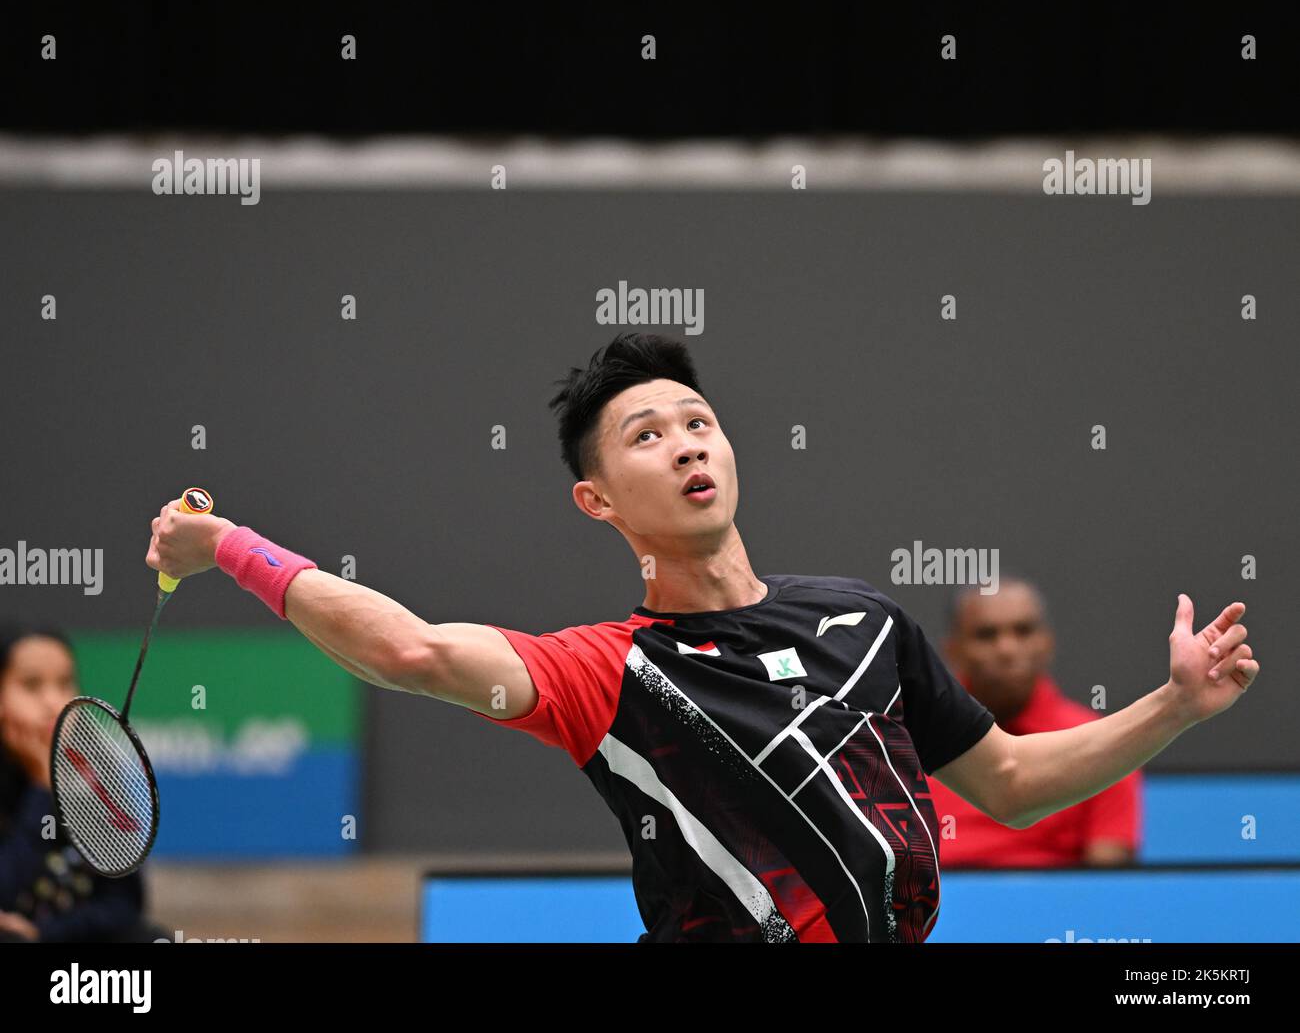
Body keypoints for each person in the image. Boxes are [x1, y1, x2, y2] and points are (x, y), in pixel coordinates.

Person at [144, 332, 1261, 943]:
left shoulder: (863, 621)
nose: (687, 445)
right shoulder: (608, 671)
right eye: (646, 434)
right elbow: (412, 652)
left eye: (700, 423)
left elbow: (1011, 784)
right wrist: (229, 544)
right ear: (597, 501)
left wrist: (1172, 705)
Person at [928, 580, 1141, 866]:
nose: (1006, 648)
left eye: (1023, 631)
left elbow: (1107, 888)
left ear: (1047, 643)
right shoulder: (907, 741)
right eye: (986, 635)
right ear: (953, 650)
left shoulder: (1103, 742)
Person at [0, 625, 164, 942]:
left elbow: (124, 904)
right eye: (31, 686)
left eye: (64, 684)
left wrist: (43, 933)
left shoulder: (97, 777)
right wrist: (41, 787)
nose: (52, 702)